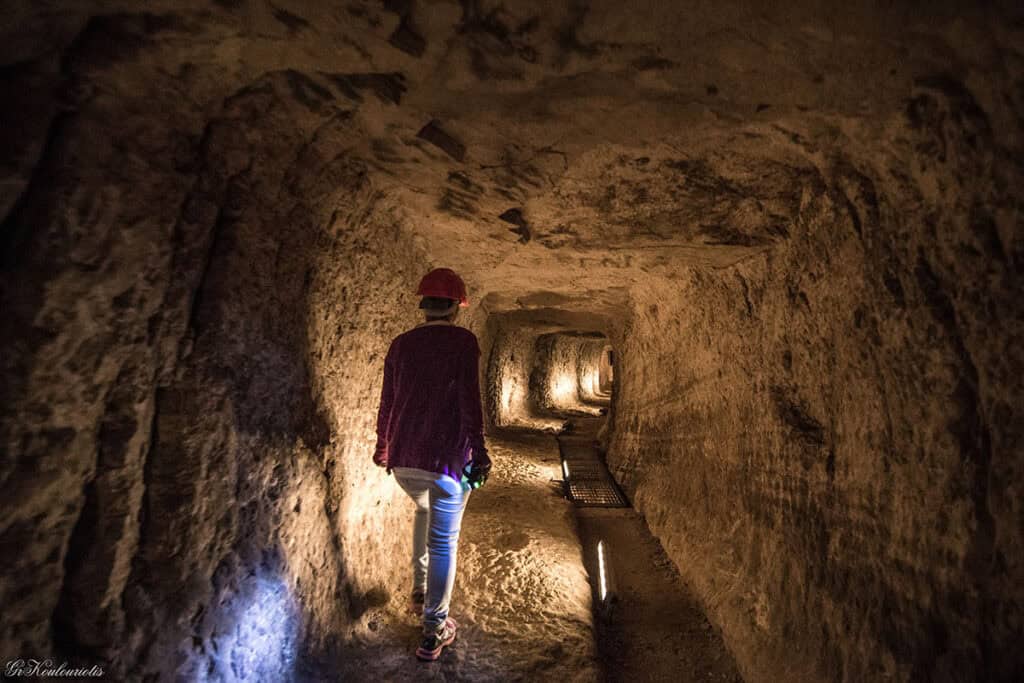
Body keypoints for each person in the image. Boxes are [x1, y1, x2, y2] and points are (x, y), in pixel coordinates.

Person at [372, 267, 492, 661]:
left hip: (405, 460)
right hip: (445, 460)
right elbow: (469, 404)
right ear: (457, 307)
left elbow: (388, 402)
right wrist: (480, 450)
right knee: (443, 540)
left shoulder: (400, 345)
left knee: (426, 510)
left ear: (424, 305)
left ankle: (421, 589)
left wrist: (383, 447)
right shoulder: (462, 342)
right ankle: (434, 628)